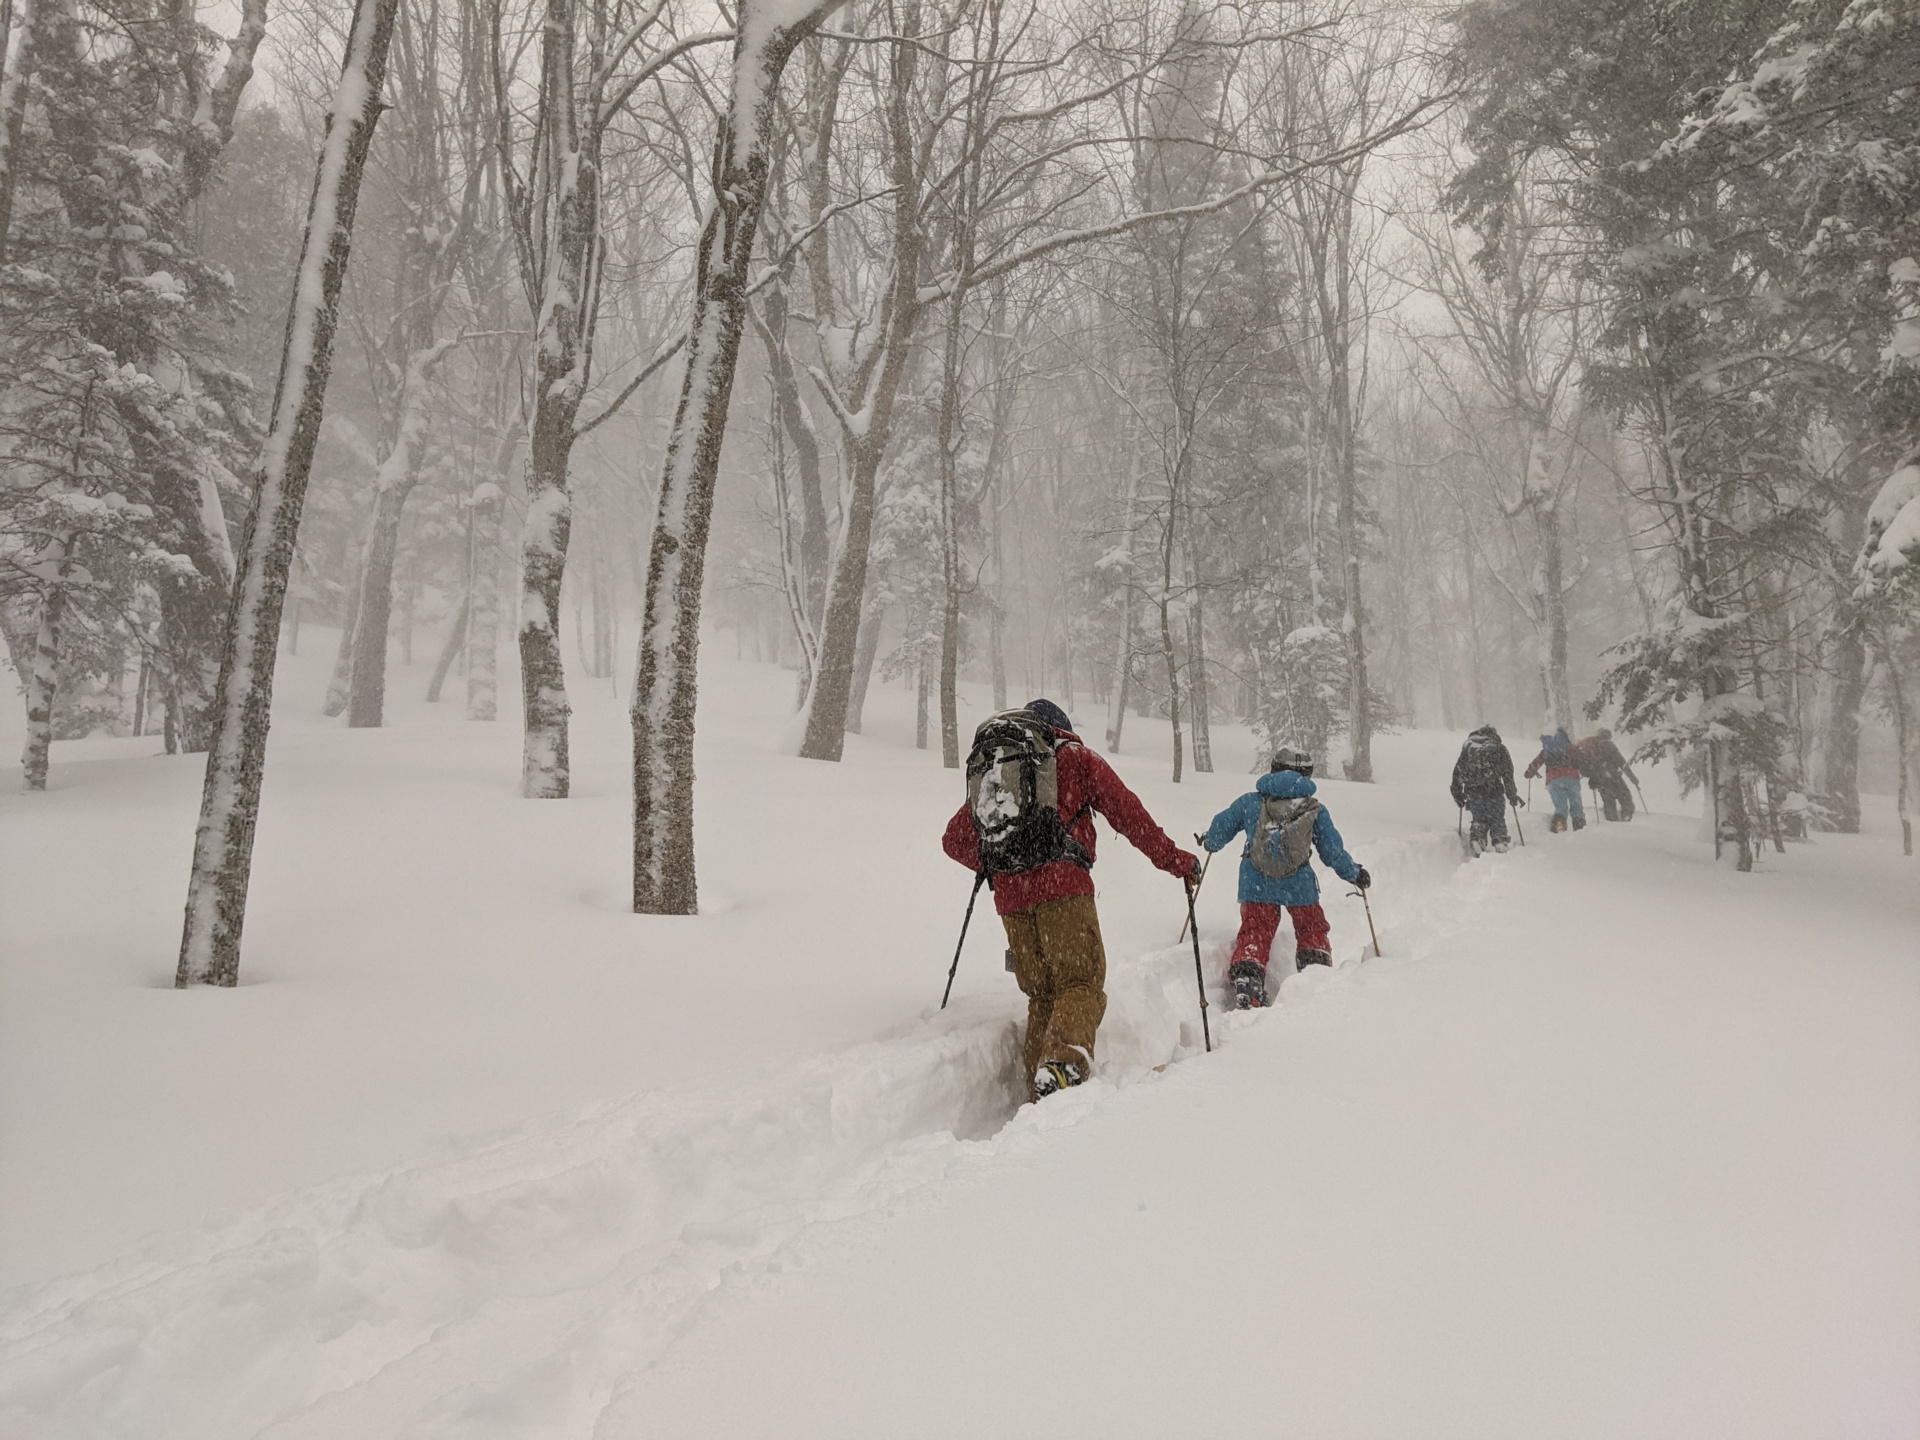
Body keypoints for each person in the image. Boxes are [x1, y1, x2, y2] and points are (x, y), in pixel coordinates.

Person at [943, 699, 1198, 1101]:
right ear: (1059, 728)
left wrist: (1002, 863)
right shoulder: (1076, 758)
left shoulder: (1000, 772)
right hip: (1063, 889)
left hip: (1013, 903)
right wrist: (1177, 862)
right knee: (1080, 983)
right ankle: (1061, 1068)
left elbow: (954, 840)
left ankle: (1039, 1092)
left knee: (1043, 994)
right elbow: (1131, 817)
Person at [1199, 746, 1369, 1011]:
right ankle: (1315, 974)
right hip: (1298, 884)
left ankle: (1248, 978)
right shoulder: (1314, 809)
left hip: (1256, 881)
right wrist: (1354, 873)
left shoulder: (1252, 802)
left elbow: (1222, 826)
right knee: (1311, 926)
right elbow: (1332, 851)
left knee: (1255, 929)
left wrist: (1210, 842)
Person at [1450, 725, 1522, 855]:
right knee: (1497, 816)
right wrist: (1511, 794)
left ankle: (1478, 837)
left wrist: (1457, 793)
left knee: (1479, 816)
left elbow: (1459, 770)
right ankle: (1499, 840)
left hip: (1473, 789)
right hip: (1494, 788)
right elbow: (1507, 773)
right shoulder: (1499, 748)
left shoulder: (1469, 746)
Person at [1524, 728, 1587, 832]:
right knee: (1576, 805)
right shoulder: (1571, 748)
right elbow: (1583, 761)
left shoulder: (1548, 749)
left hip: (1554, 779)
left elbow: (1537, 762)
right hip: (1572, 778)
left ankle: (1559, 825)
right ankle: (1580, 826)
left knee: (1560, 806)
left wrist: (1529, 772)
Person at [1573, 727, 1638, 821]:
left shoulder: (1588, 747)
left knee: (1608, 801)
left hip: (1598, 779)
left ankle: (1612, 823)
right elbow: (1621, 762)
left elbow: (1583, 767)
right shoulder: (1609, 745)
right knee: (1625, 797)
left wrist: (1593, 776)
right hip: (1613, 776)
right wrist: (1632, 778)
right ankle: (1626, 820)